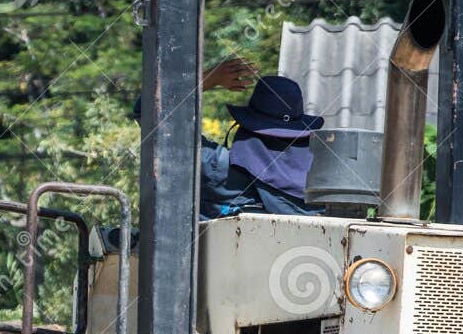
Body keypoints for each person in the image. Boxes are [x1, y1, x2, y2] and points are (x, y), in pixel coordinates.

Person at [134, 59, 325, 219]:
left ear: (245, 125)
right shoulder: (324, 186)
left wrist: (209, 78)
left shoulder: (219, 167)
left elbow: (149, 111)